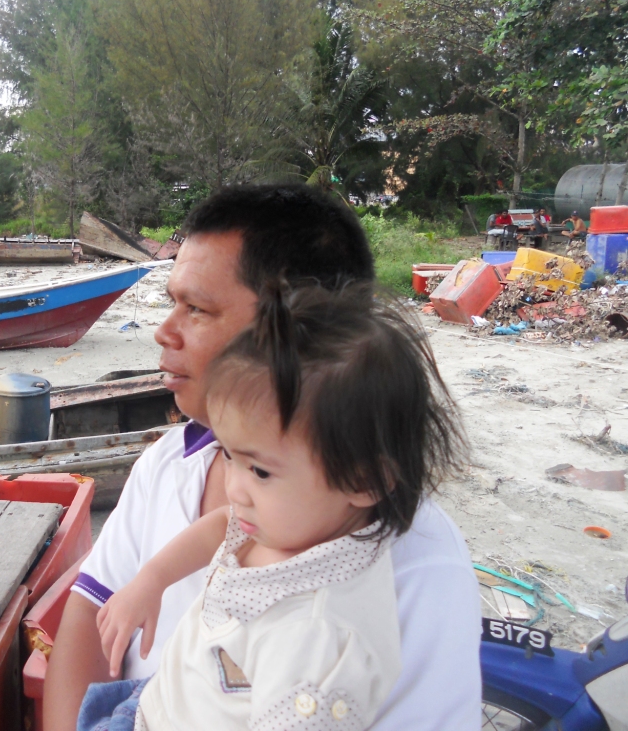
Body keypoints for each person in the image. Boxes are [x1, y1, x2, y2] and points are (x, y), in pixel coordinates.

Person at [44, 183, 482, 730]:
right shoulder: (169, 462)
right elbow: (91, 611)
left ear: (299, 332)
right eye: (170, 303)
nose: (163, 331)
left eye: (197, 309)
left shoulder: (413, 563)